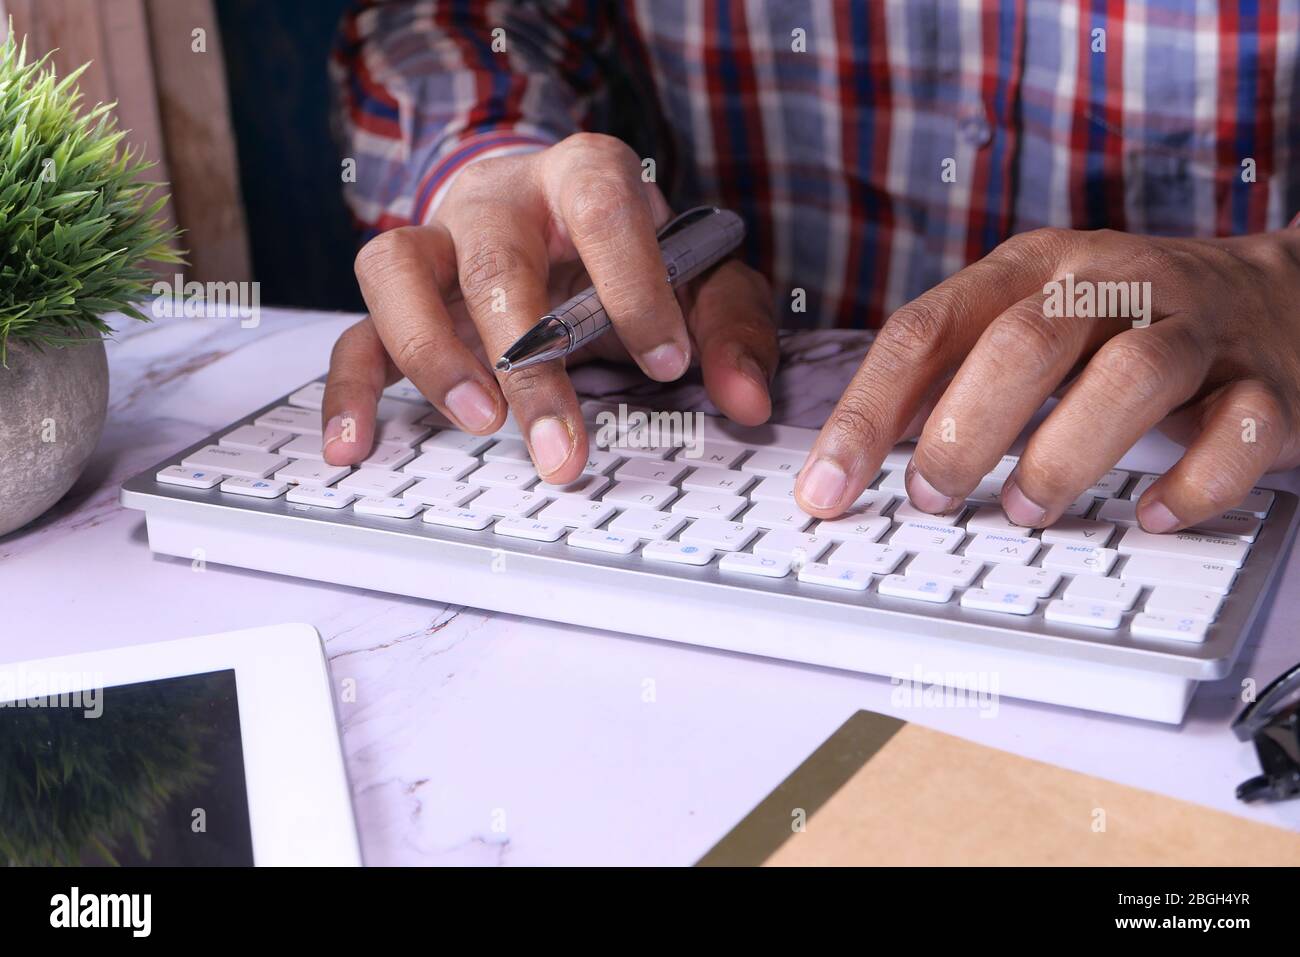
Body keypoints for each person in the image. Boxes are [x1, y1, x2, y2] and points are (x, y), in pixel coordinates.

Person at [323, 0, 1300, 534]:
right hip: (727, 415)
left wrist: (1278, 282)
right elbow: (454, 18)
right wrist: (491, 165)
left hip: (1207, 468)